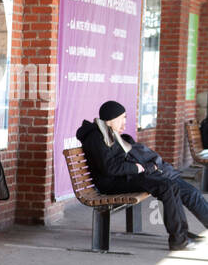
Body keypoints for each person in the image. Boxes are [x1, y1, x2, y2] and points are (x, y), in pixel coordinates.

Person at [76, 100, 208, 250]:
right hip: (112, 183)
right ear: (112, 119)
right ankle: (179, 238)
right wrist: (137, 168)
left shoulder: (107, 133)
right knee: (166, 185)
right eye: (122, 118)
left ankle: (180, 234)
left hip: (124, 177)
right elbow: (110, 168)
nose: (124, 123)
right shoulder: (96, 138)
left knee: (173, 185)